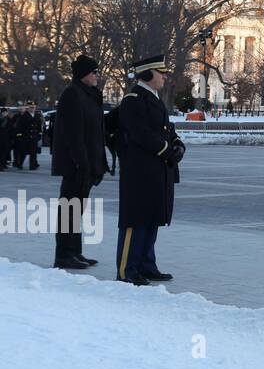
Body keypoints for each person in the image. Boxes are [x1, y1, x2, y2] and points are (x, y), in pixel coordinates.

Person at [115, 55, 184, 285]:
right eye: (160, 72)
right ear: (146, 74)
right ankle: (128, 269)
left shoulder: (153, 97)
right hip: (140, 171)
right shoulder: (133, 99)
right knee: (136, 220)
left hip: (156, 170)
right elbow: (140, 133)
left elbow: (165, 129)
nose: (165, 76)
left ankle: (146, 264)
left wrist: (177, 144)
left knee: (152, 217)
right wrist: (166, 149)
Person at [52, 54, 109, 270]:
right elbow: (73, 135)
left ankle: (74, 252)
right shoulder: (72, 94)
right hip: (76, 165)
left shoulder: (88, 94)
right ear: (84, 74)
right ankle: (64, 254)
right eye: (94, 72)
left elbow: (95, 130)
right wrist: (82, 163)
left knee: (76, 209)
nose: (97, 75)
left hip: (86, 164)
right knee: (69, 209)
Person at [11, 100, 41, 170]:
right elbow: (19, 126)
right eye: (31, 107)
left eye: (33, 107)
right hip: (26, 136)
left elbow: (39, 126)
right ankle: (19, 164)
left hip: (34, 136)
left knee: (33, 153)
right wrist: (19, 135)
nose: (32, 109)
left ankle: (32, 166)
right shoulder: (24, 115)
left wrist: (39, 133)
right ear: (28, 108)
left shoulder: (37, 115)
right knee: (23, 152)